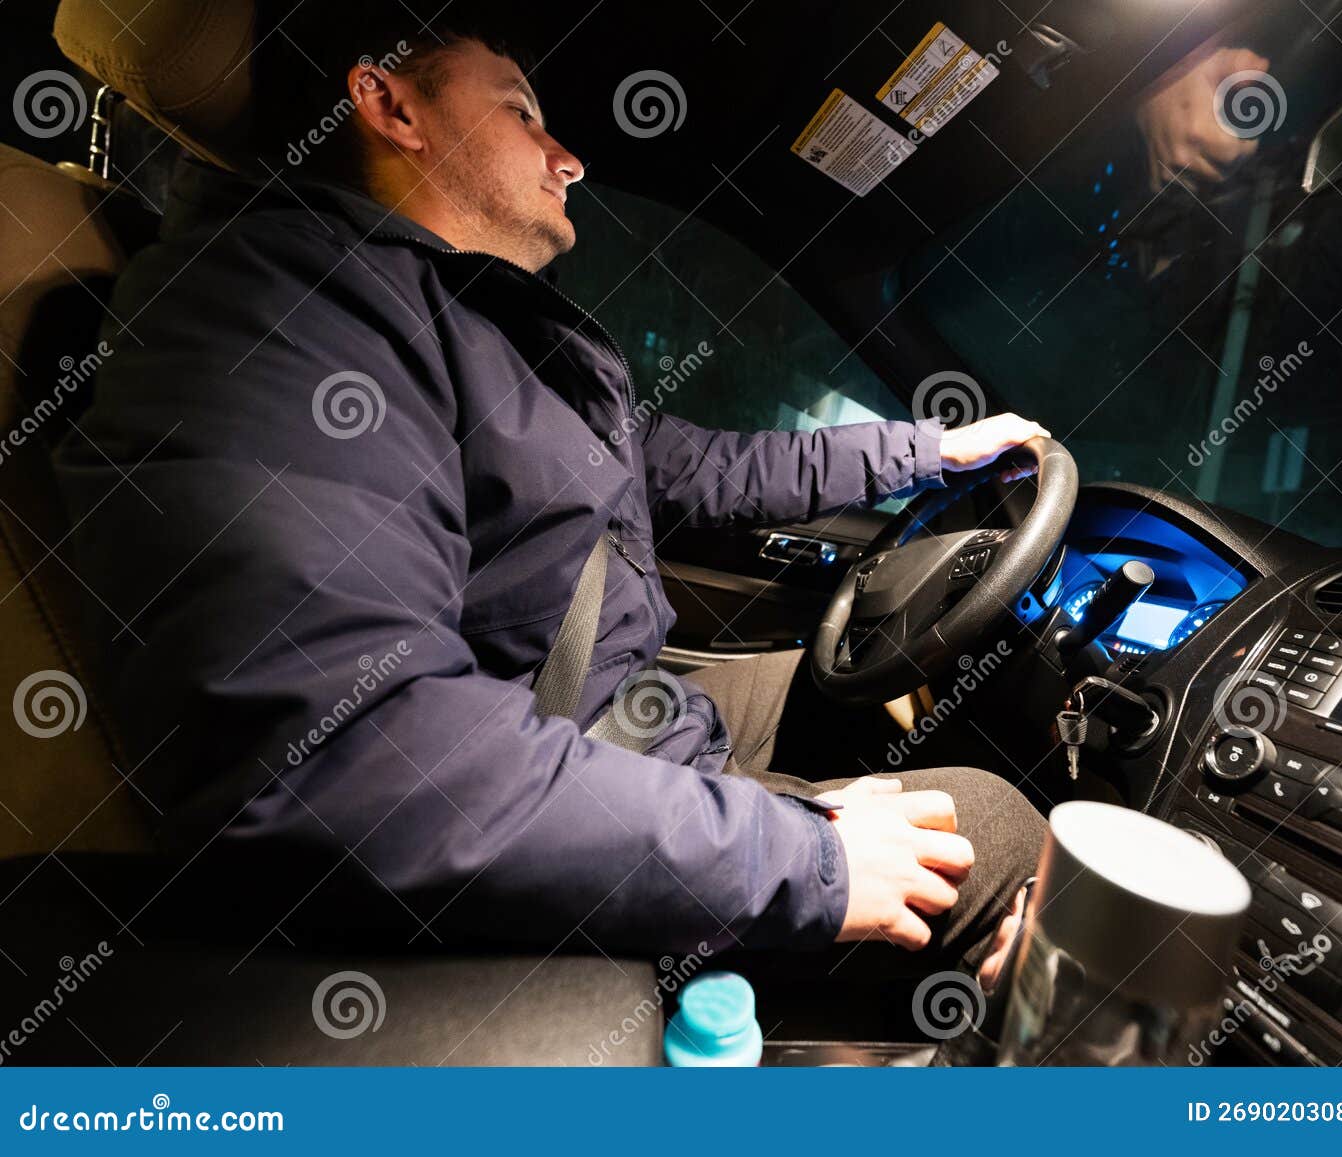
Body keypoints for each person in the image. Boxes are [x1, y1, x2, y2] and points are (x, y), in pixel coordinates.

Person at [53, 3, 1047, 985]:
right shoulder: (269, 314)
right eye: (522, 112)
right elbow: (352, 755)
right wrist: (804, 859)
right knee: (991, 832)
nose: (566, 156)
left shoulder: (475, 326)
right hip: (540, 777)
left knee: (853, 686)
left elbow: (700, 467)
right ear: (388, 104)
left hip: (620, 710)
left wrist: (930, 450)